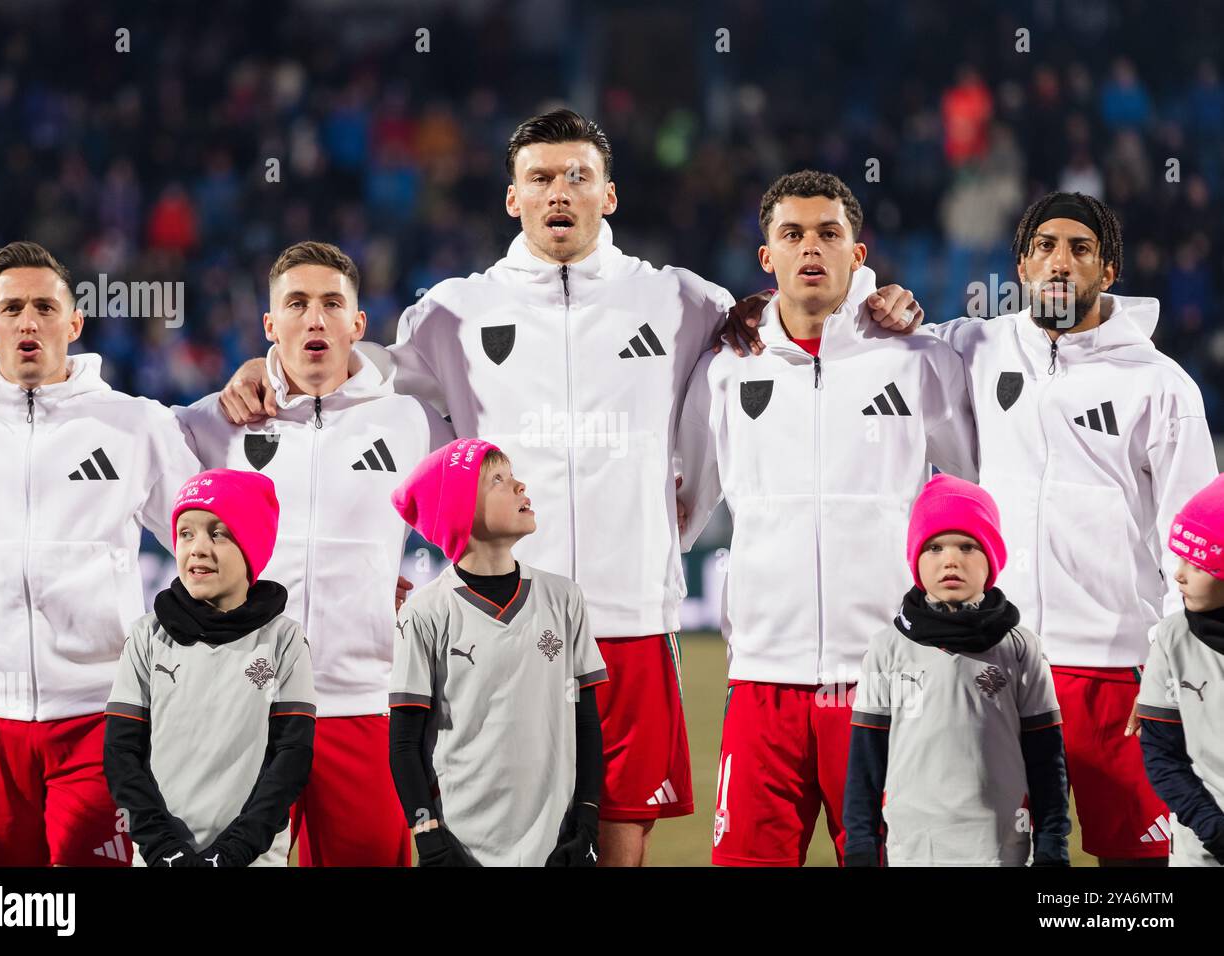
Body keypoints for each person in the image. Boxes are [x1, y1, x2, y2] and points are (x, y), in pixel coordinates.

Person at [215, 109, 922, 865]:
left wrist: (876, 300)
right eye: (542, 178)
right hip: (501, 623)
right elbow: (355, 389)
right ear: (512, 199)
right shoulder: (453, 313)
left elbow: (794, 319)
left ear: (608, 195)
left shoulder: (683, 302)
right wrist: (271, 369)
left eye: (579, 177)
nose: (561, 192)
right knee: (494, 832)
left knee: (621, 840)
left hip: (631, 620)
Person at [721, 191, 1219, 865]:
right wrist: (863, 300)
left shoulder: (1161, 386)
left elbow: (1195, 542)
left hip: (1114, 670)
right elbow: (868, 330)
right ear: (1019, 265)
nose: (1059, 263)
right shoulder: (973, 345)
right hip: (995, 664)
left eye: (1079, 249)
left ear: (1109, 271)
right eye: (1043, 247)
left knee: (1140, 865)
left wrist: (1174, 667)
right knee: (990, 851)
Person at [675, 171, 978, 866]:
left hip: (884, 676)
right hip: (760, 681)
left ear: (858, 254)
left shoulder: (918, 361)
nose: (811, 248)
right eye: (792, 234)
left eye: (828, 234)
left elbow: (974, 498)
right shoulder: (725, 368)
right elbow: (681, 504)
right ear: (767, 257)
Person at [176, 241, 453, 866]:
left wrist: (426, 600)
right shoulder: (214, 424)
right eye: (296, 304)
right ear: (270, 325)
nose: (315, 319)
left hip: (363, 707)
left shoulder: (410, 423)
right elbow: (103, 446)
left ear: (358, 324)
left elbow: (481, 521)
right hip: (239, 710)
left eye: (332, 304)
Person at [0, 241, 201, 866]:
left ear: (73, 323)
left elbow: (207, 535)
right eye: (13, 307)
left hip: (99, 719)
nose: (29, 321)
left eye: (46, 307)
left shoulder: (135, 426)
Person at [388, 439, 606, 866]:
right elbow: (404, 743)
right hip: (461, 849)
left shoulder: (564, 598)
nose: (520, 485)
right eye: (499, 480)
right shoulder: (425, 612)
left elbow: (588, 725)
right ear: (460, 511)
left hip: (556, 847)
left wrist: (587, 822)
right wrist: (430, 839)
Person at [843, 475, 1070, 866]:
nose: (950, 560)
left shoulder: (1020, 649)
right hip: (914, 849)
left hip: (1001, 849)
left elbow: (1047, 759)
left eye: (967, 546)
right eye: (934, 547)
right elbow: (866, 761)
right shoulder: (887, 649)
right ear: (915, 560)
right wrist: (861, 845)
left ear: (992, 560)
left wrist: (1052, 842)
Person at [104, 468, 315, 867]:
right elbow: (121, 757)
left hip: (251, 859)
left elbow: (289, 761)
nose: (197, 548)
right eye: (186, 533)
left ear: (251, 546)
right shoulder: (146, 637)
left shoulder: (285, 641)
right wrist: (165, 851)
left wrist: (231, 854)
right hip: (159, 859)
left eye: (217, 532)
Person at [1136, 474, 1224, 866]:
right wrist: (1214, 830)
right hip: (1201, 846)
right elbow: (1161, 754)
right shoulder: (1172, 637)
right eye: (1179, 557)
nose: (1178, 574)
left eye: (1197, 562)